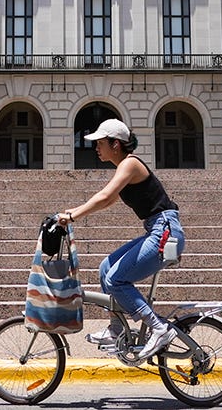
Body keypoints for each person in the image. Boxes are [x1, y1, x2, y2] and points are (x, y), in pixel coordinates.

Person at [56, 118, 185, 360]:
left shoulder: (130, 164)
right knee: (106, 267)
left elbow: (105, 195)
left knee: (116, 279)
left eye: (100, 143)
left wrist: (72, 215)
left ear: (116, 144)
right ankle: (116, 329)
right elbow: (107, 200)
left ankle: (158, 328)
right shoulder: (124, 169)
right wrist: (70, 212)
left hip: (165, 231)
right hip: (157, 229)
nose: (96, 148)